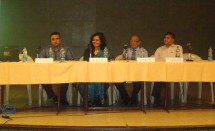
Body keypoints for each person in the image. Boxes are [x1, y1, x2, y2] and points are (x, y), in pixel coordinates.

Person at [77, 32, 113, 106]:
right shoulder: (88, 50)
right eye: (93, 40)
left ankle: (97, 100)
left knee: (98, 81)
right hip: (89, 74)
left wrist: (109, 61)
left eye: (97, 40)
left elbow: (112, 60)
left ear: (101, 41)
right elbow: (85, 63)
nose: (95, 42)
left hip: (102, 75)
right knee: (82, 83)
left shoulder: (105, 51)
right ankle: (89, 100)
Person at [39, 32, 75, 105]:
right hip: (49, 73)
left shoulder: (66, 49)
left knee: (66, 78)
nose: (55, 41)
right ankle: (53, 97)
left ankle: (61, 99)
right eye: (53, 39)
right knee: (41, 78)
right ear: (50, 41)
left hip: (63, 73)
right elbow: (39, 61)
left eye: (57, 39)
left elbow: (71, 61)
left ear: (60, 40)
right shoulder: (45, 49)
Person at [115, 35, 148, 106]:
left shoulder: (143, 51)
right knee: (117, 81)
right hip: (126, 72)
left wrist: (131, 60)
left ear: (139, 43)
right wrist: (123, 59)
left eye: (135, 41)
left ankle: (133, 98)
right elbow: (123, 62)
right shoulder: (126, 50)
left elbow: (145, 63)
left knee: (139, 81)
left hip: (138, 73)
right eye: (131, 41)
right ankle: (126, 98)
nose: (133, 43)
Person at [152, 32, 183, 107]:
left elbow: (180, 59)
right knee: (160, 78)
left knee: (161, 79)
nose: (165, 39)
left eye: (168, 38)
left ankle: (159, 99)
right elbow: (154, 61)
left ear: (173, 40)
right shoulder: (160, 49)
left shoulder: (178, 48)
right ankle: (158, 100)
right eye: (165, 38)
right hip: (161, 71)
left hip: (173, 71)